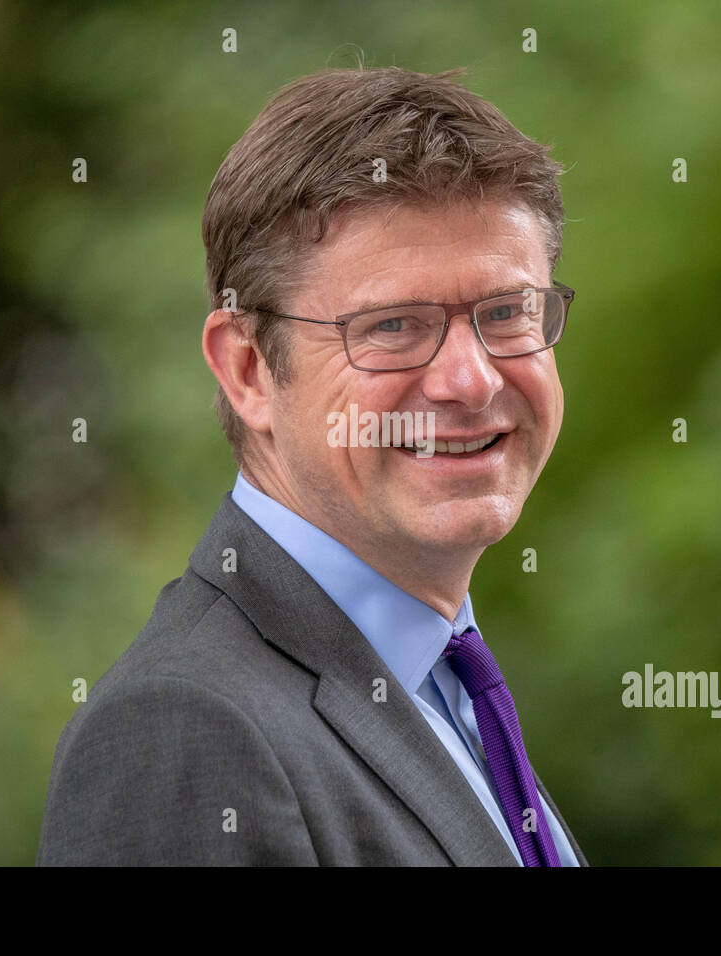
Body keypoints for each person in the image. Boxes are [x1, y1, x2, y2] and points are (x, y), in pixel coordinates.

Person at [37, 65, 586, 866]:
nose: (471, 380)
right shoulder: (182, 734)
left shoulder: (449, 689)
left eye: (507, 312)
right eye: (394, 325)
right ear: (249, 370)